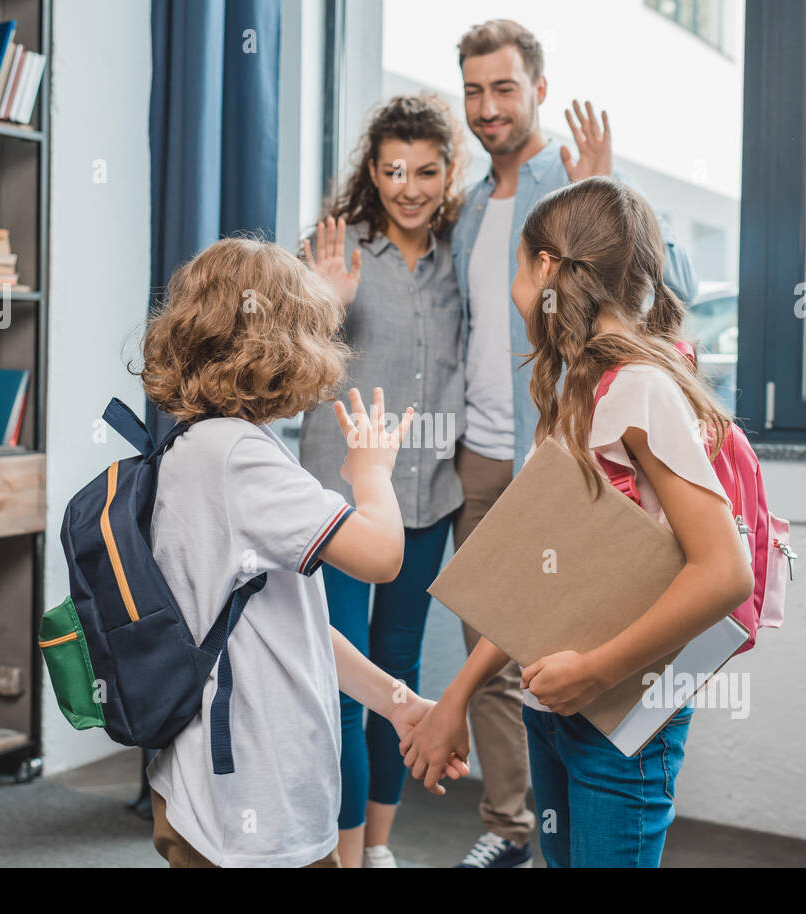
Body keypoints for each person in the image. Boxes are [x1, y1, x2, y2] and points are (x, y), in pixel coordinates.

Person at [401, 176, 753, 867]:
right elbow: (542, 572)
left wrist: (592, 671)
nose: (512, 288)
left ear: (546, 268)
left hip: (623, 719)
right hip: (553, 707)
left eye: (518, 265)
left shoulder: (644, 392)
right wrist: (457, 696)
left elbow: (724, 572)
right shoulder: (578, 390)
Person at [446, 18, 700, 868]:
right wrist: (455, 693)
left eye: (503, 87)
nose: (486, 107)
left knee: (606, 800)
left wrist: (608, 181)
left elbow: (668, 288)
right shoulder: (473, 206)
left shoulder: (631, 387)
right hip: (504, 458)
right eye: (473, 90)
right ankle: (506, 821)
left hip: (622, 688)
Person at [135, 237, 468, 868]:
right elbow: (382, 557)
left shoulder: (197, 447)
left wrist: (397, 703)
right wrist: (370, 472)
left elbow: (290, 623)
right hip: (251, 810)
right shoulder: (239, 457)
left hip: (219, 797)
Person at [298, 94, 466, 868]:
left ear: (446, 172)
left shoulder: (456, 256)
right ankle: (342, 854)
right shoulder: (335, 248)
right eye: (393, 169)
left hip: (425, 496)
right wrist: (324, 304)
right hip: (339, 500)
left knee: (399, 678)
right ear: (373, 169)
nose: (409, 186)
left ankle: (379, 850)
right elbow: (286, 371)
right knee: (338, 682)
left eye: (425, 171)